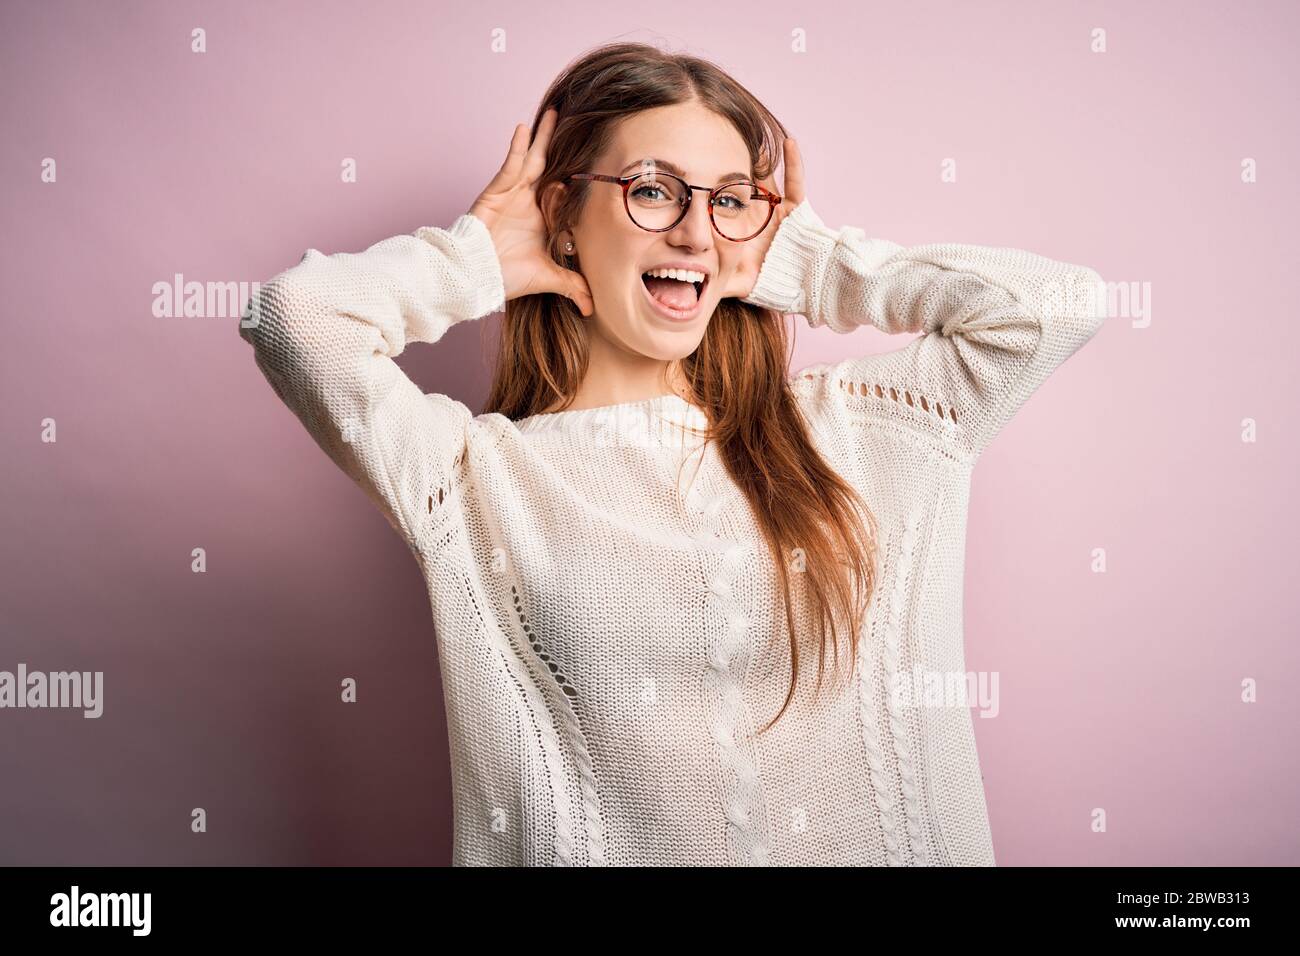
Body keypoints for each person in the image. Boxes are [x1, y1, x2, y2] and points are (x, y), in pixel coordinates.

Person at [238, 41, 1106, 866]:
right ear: (563, 220)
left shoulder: (863, 433)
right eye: (653, 190)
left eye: (728, 199)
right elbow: (298, 322)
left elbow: (1055, 305)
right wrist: (474, 262)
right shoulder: (472, 479)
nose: (695, 233)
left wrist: (815, 265)